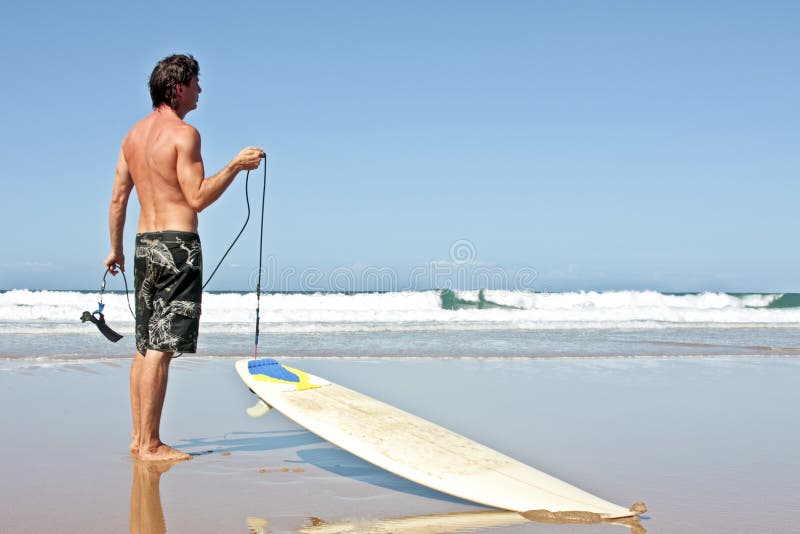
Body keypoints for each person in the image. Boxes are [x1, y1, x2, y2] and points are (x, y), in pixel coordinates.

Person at [104, 54, 264, 461]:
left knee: (144, 345)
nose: (200, 90)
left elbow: (119, 197)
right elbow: (197, 198)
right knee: (162, 346)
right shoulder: (185, 134)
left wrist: (115, 249)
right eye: (196, 83)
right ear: (178, 88)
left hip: (143, 245)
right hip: (177, 245)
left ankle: (139, 439)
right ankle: (152, 444)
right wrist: (235, 166)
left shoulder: (132, 137)